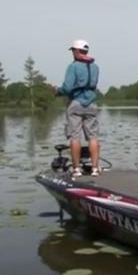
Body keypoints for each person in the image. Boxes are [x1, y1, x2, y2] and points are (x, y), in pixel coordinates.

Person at [53, 39, 101, 177]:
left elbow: (67, 88)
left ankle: (76, 169)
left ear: (77, 51)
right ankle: (95, 169)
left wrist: (57, 91)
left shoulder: (73, 67)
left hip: (76, 103)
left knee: (75, 137)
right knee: (93, 137)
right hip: (91, 104)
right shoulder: (95, 67)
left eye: (73, 50)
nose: (72, 53)